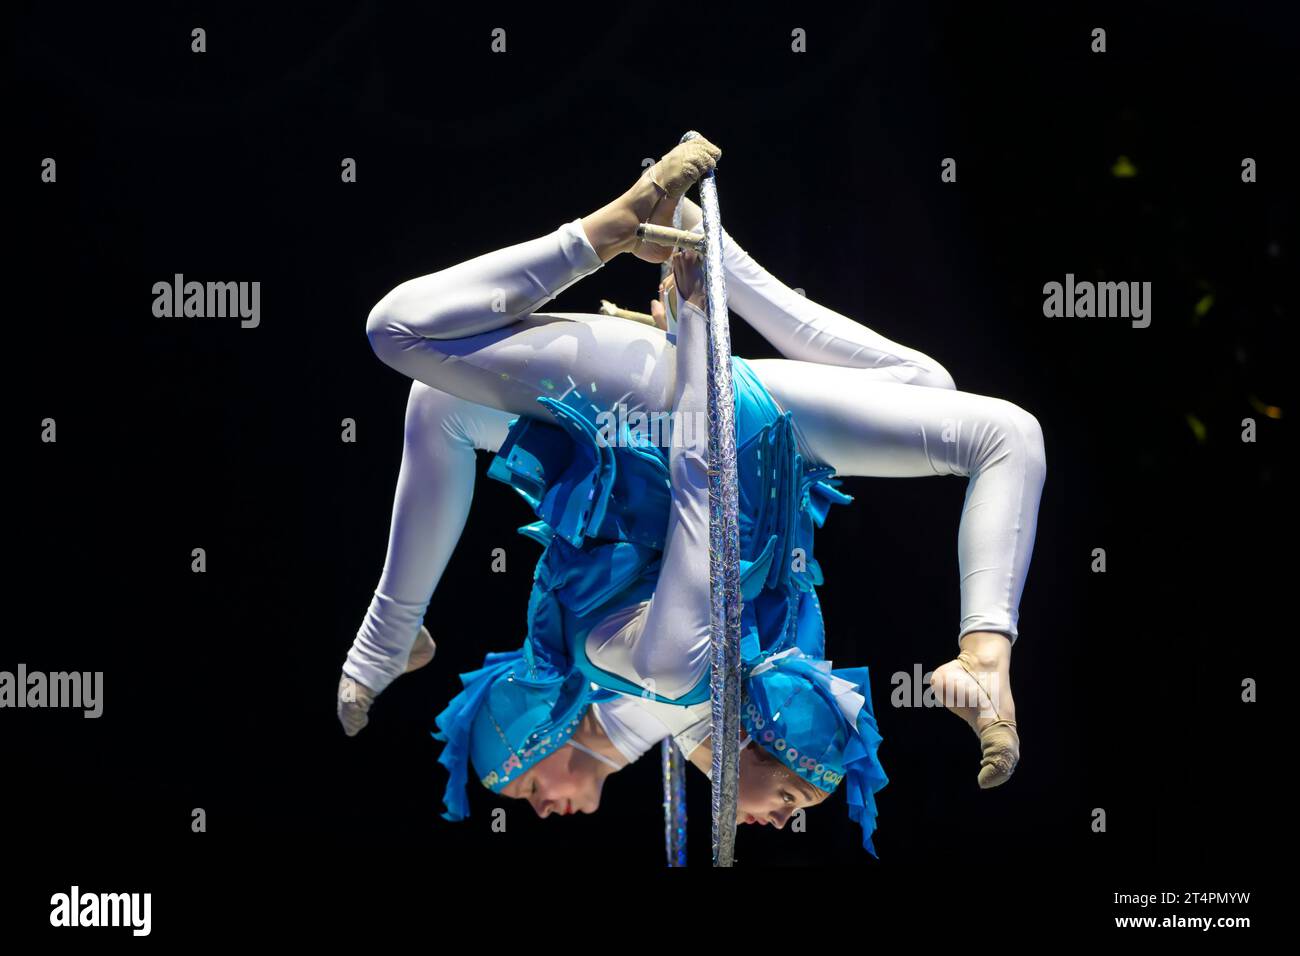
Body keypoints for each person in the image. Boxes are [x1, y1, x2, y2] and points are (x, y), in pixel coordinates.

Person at [343, 134, 1044, 804]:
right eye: (799, 802)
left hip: (681, 423)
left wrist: (696, 342)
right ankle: (704, 249)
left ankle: (614, 236)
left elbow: (700, 498)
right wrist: (695, 340)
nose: (785, 820)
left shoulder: (652, 685)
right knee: (930, 394)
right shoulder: (676, 700)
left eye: (525, 787)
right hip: (736, 435)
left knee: (398, 336)